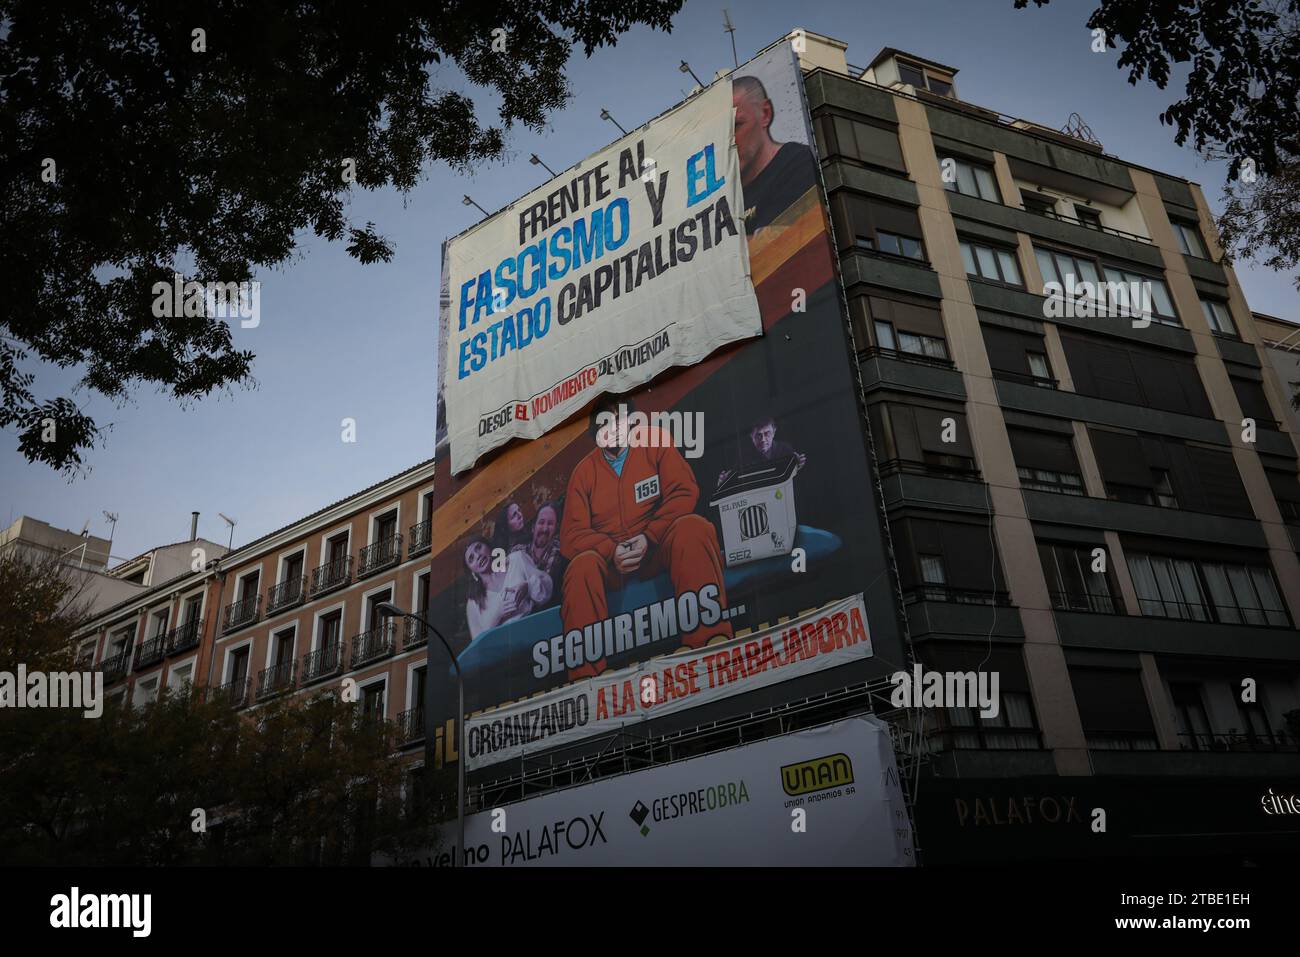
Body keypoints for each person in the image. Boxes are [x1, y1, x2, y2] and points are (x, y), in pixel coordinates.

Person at [560, 394, 732, 679]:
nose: (613, 427)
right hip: (612, 568)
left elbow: (683, 491)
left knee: (692, 527)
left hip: (656, 551)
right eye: (605, 423)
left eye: (619, 419)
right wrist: (610, 550)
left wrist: (649, 537)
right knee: (580, 566)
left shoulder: (655, 441)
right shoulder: (583, 473)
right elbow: (571, 534)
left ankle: (710, 641)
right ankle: (585, 677)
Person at [732, 74, 819, 235]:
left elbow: (777, 246)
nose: (729, 140)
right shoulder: (725, 194)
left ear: (765, 113)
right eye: (720, 133)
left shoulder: (797, 162)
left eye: (736, 125)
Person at [463, 536, 553, 639]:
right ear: (471, 571)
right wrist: (498, 614)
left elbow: (548, 587)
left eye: (479, 547)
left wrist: (528, 587)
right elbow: (478, 643)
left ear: (488, 547)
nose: (478, 555)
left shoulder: (516, 559)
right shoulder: (473, 602)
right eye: (471, 558)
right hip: (505, 651)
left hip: (536, 634)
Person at [717, 414, 807, 488]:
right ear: (751, 437)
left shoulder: (785, 450)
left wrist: (797, 467)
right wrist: (723, 483)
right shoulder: (744, 458)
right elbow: (734, 482)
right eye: (758, 435)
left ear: (774, 433)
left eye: (767, 434)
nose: (763, 439)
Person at [512, 501, 564, 608]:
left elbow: (545, 589)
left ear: (556, 530)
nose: (545, 529)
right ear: (533, 527)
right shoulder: (518, 551)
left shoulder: (558, 551)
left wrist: (528, 586)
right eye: (541, 522)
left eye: (550, 524)